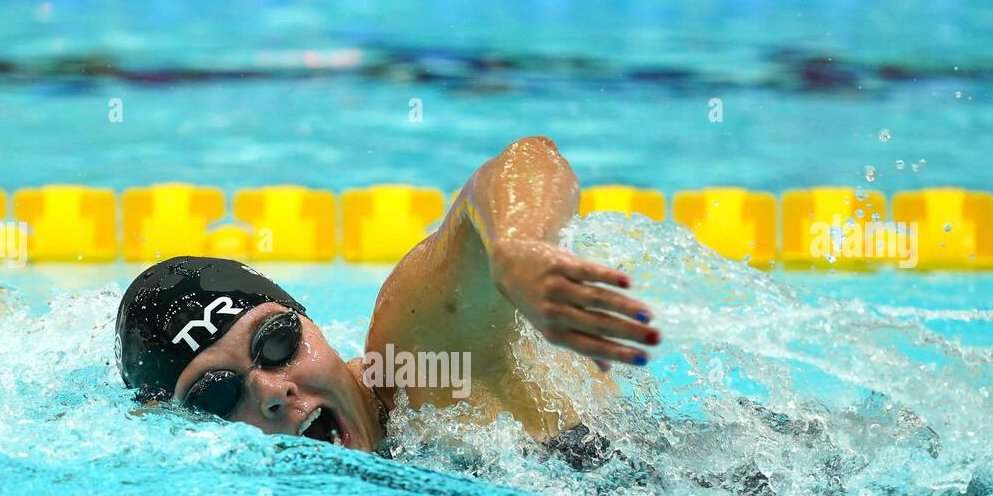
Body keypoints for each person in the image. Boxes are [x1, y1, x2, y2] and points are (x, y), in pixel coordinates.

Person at [115, 136, 661, 454]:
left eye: (277, 343)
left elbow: (524, 161)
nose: (273, 391)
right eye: (215, 394)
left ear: (311, 323)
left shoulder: (417, 364)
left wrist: (516, 244)